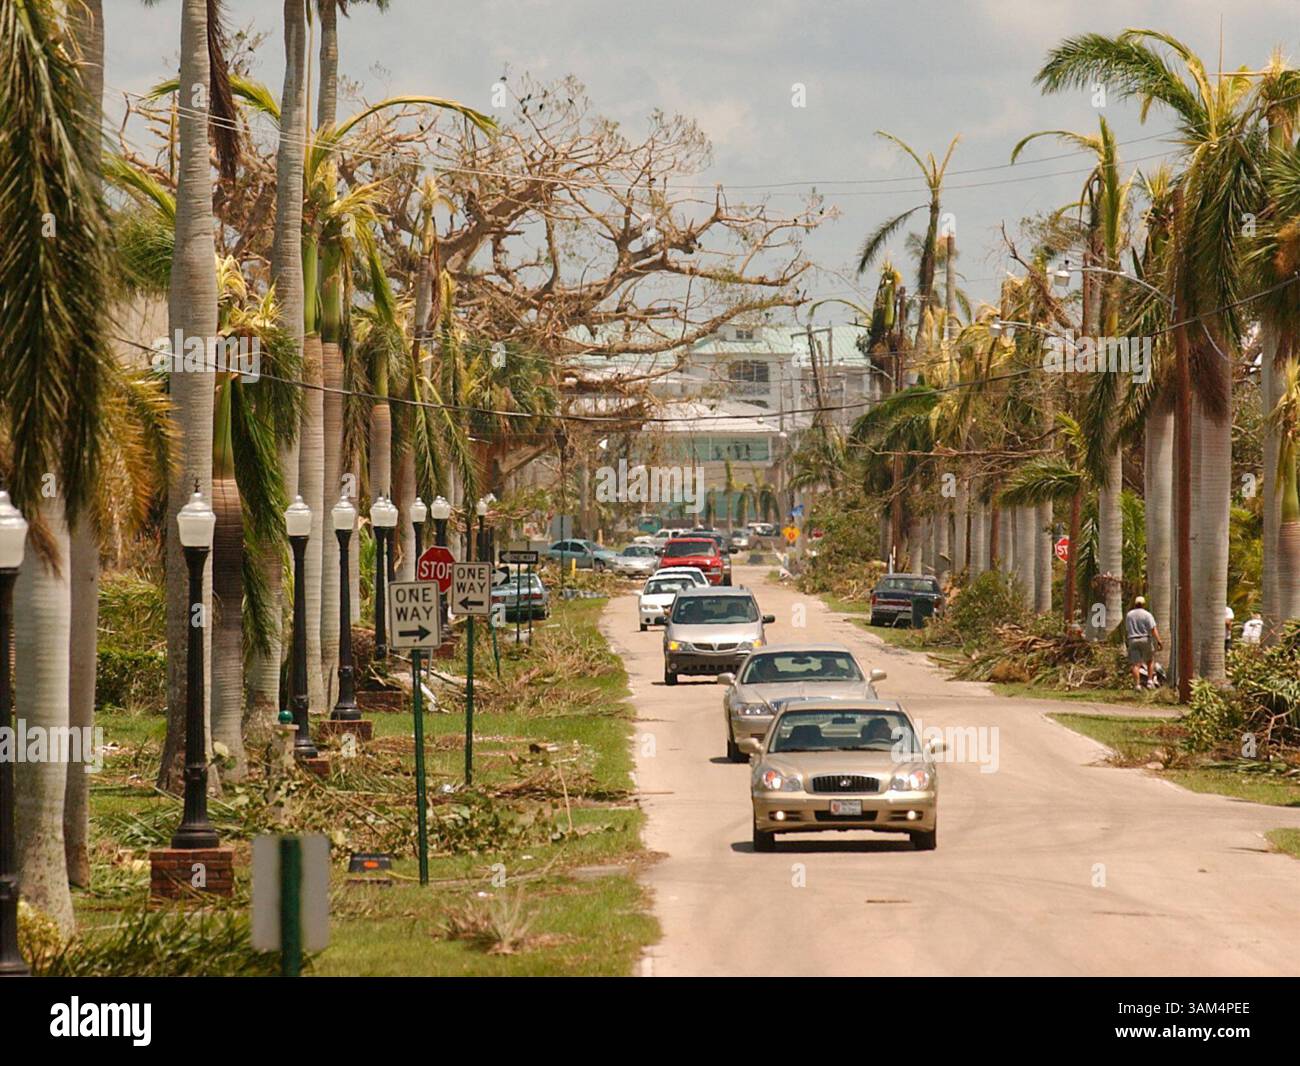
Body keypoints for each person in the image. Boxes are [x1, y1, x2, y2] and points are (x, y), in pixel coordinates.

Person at [1123, 596, 1162, 693]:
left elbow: (1127, 629)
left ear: (1135, 604)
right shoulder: (1147, 615)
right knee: (1150, 660)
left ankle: (1137, 685)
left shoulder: (1129, 615)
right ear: (1144, 604)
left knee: (1136, 664)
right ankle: (1149, 681)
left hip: (1133, 639)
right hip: (1145, 639)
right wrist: (1159, 640)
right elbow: (1153, 629)